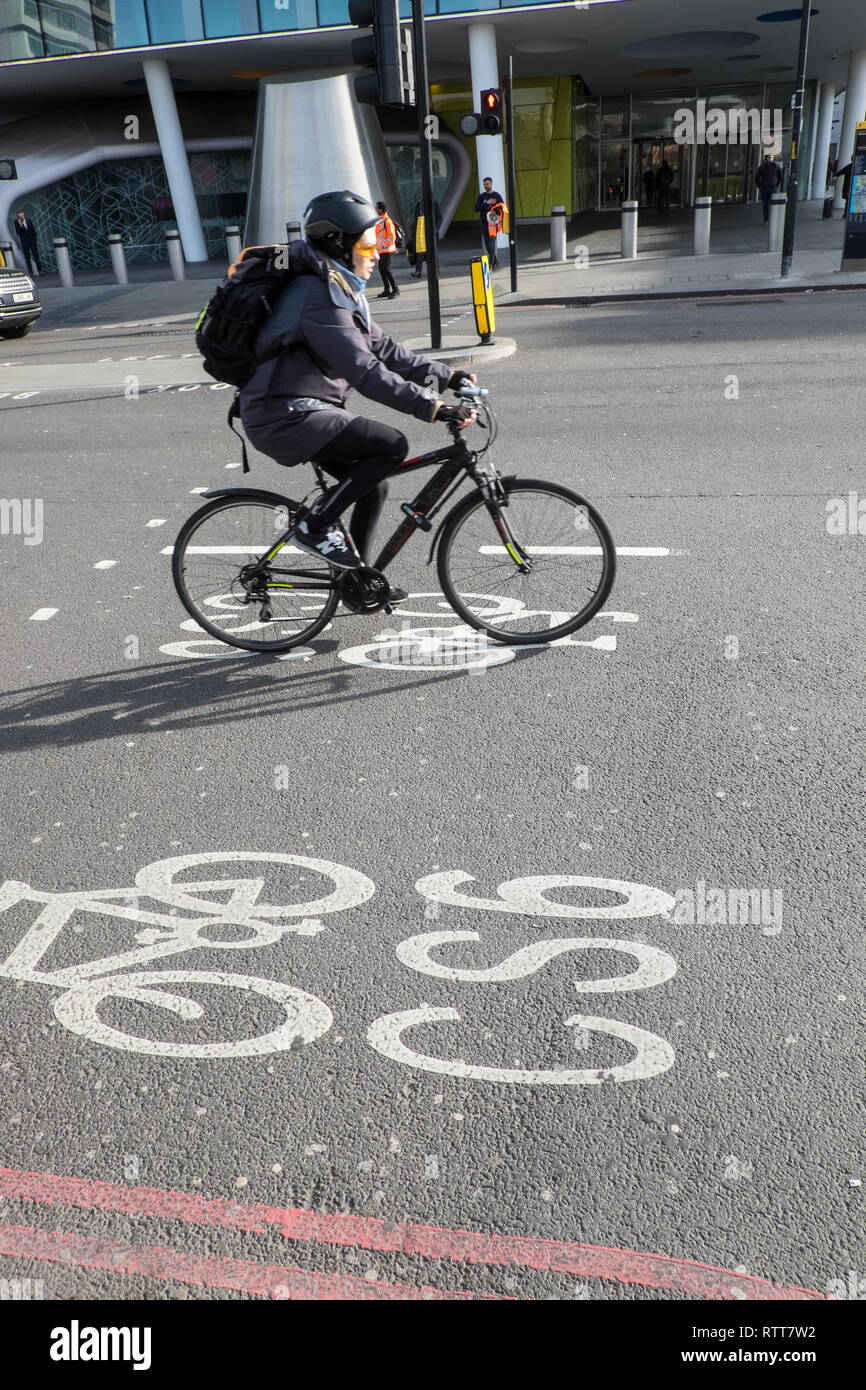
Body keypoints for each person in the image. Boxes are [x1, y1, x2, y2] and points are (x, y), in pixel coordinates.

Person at [237, 190, 477, 589]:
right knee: (391, 446)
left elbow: (384, 349)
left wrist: (446, 377)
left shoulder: (337, 290)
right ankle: (315, 528)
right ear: (339, 244)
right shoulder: (316, 297)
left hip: (305, 409)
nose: (378, 253)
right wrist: (434, 408)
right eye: (368, 245)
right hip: (283, 414)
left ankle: (357, 583)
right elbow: (365, 371)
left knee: (374, 483)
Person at [474, 177, 504, 268]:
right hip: (484, 224)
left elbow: (502, 207)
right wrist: (487, 203)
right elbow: (476, 208)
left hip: (493, 225)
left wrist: (496, 212)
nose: (485, 186)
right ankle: (496, 261)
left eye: (487, 184)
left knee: (491, 245)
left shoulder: (496, 196)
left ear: (491, 184)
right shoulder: (481, 197)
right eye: (484, 184)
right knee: (487, 246)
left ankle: (491, 264)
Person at [411, 197, 442, 279]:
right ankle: (418, 271)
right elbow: (415, 217)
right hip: (421, 231)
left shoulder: (434, 203)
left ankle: (436, 269)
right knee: (420, 252)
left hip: (432, 232)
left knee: (432, 251)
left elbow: (439, 217)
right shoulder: (419, 203)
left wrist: (436, 228)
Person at [374, 201, 399, 300]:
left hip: (387, 250)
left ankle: (395, 289)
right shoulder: (380, 221)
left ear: (381, 209)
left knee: (386, 269)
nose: (375, 210)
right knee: (382, 269)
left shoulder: (387, 221)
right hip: (381, 250)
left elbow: (392, 237)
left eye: (377, 208)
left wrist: (384, 245)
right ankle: (387, 289)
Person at [13, 210, 42, 275]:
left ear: (24, 214)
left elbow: (33, 230)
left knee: (36, 255)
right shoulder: (16, 222)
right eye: (20, 216)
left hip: (32, 241)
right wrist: (20, 225)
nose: (22, 217)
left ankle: (40, 270)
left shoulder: (28, 220)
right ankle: (31, 272)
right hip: (24, 242)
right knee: (27, 257)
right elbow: (18, 232)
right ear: (18, 216)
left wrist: (35, 239)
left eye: (22, 215)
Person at [756, 153, 783, 223]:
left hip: (773, 187)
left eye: (771, 158)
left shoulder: (776, 166)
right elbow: (757, 177)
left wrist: (777, 184)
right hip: (764, 188)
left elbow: (780, 176)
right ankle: (766, 219)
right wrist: (759, 185)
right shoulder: (762, 167)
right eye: (768, 158)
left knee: (775, 204)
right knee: (765, 205)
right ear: (766, 159)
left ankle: (774, 219)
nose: (770, 159)